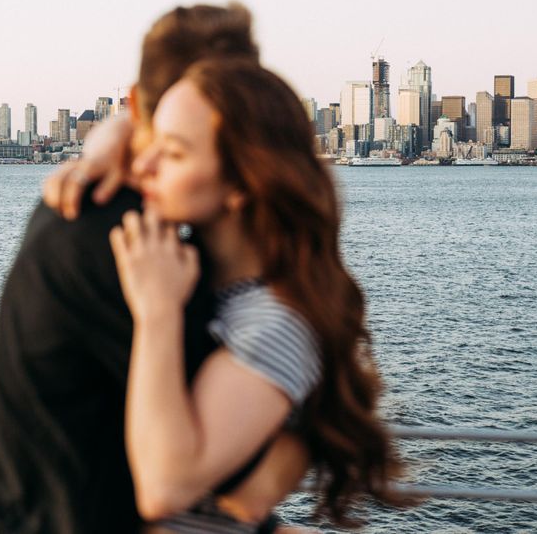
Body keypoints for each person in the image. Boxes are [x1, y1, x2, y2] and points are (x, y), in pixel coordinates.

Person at [0, 4, 307, 533]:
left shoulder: (81, 203)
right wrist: (315, 438)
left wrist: (116, 131)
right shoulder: (137, 244)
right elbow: (218, 471)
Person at [108, 59, 405, 531]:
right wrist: (100, 149)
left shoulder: (278, 323)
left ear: (242, 183)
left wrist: (157, 312)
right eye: (151, 145)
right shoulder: (208, 283)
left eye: (175, 153)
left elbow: (165, 488)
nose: (144, 165)